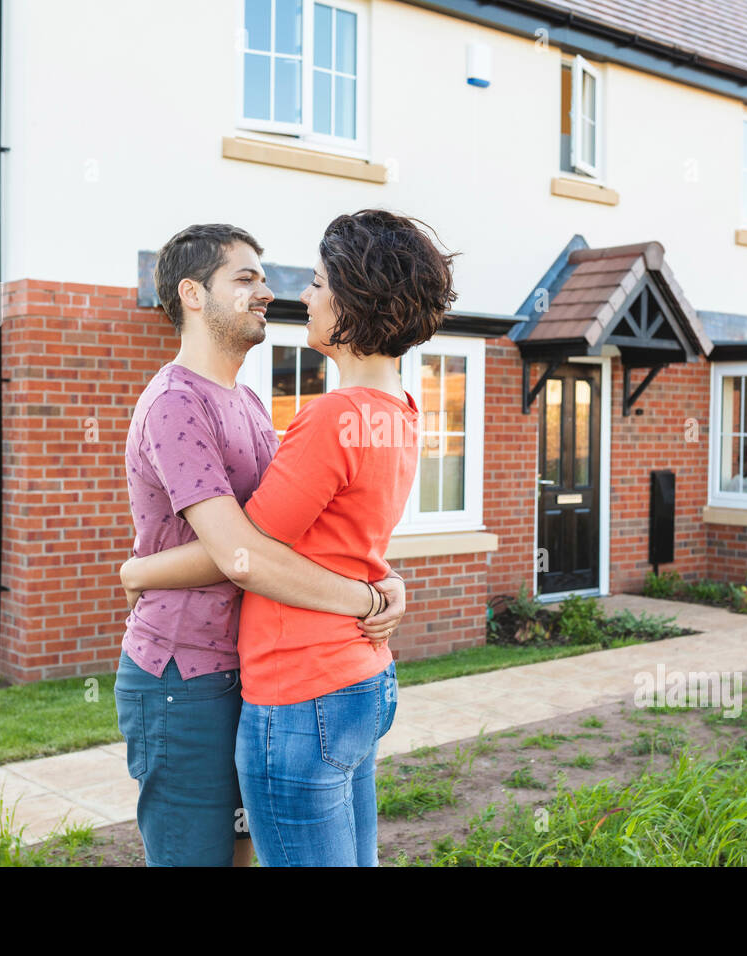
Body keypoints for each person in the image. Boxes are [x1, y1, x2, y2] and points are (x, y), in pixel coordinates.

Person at [122, 209, 457, 866]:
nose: (278, 291)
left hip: (271, 673)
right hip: (185, 669)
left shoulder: (254, 403)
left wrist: (376, 581)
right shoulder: (177, 402)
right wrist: (367, 592)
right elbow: (244, 553)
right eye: (247, 278)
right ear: (193, 294)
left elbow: (280, 541)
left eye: (311, 281)